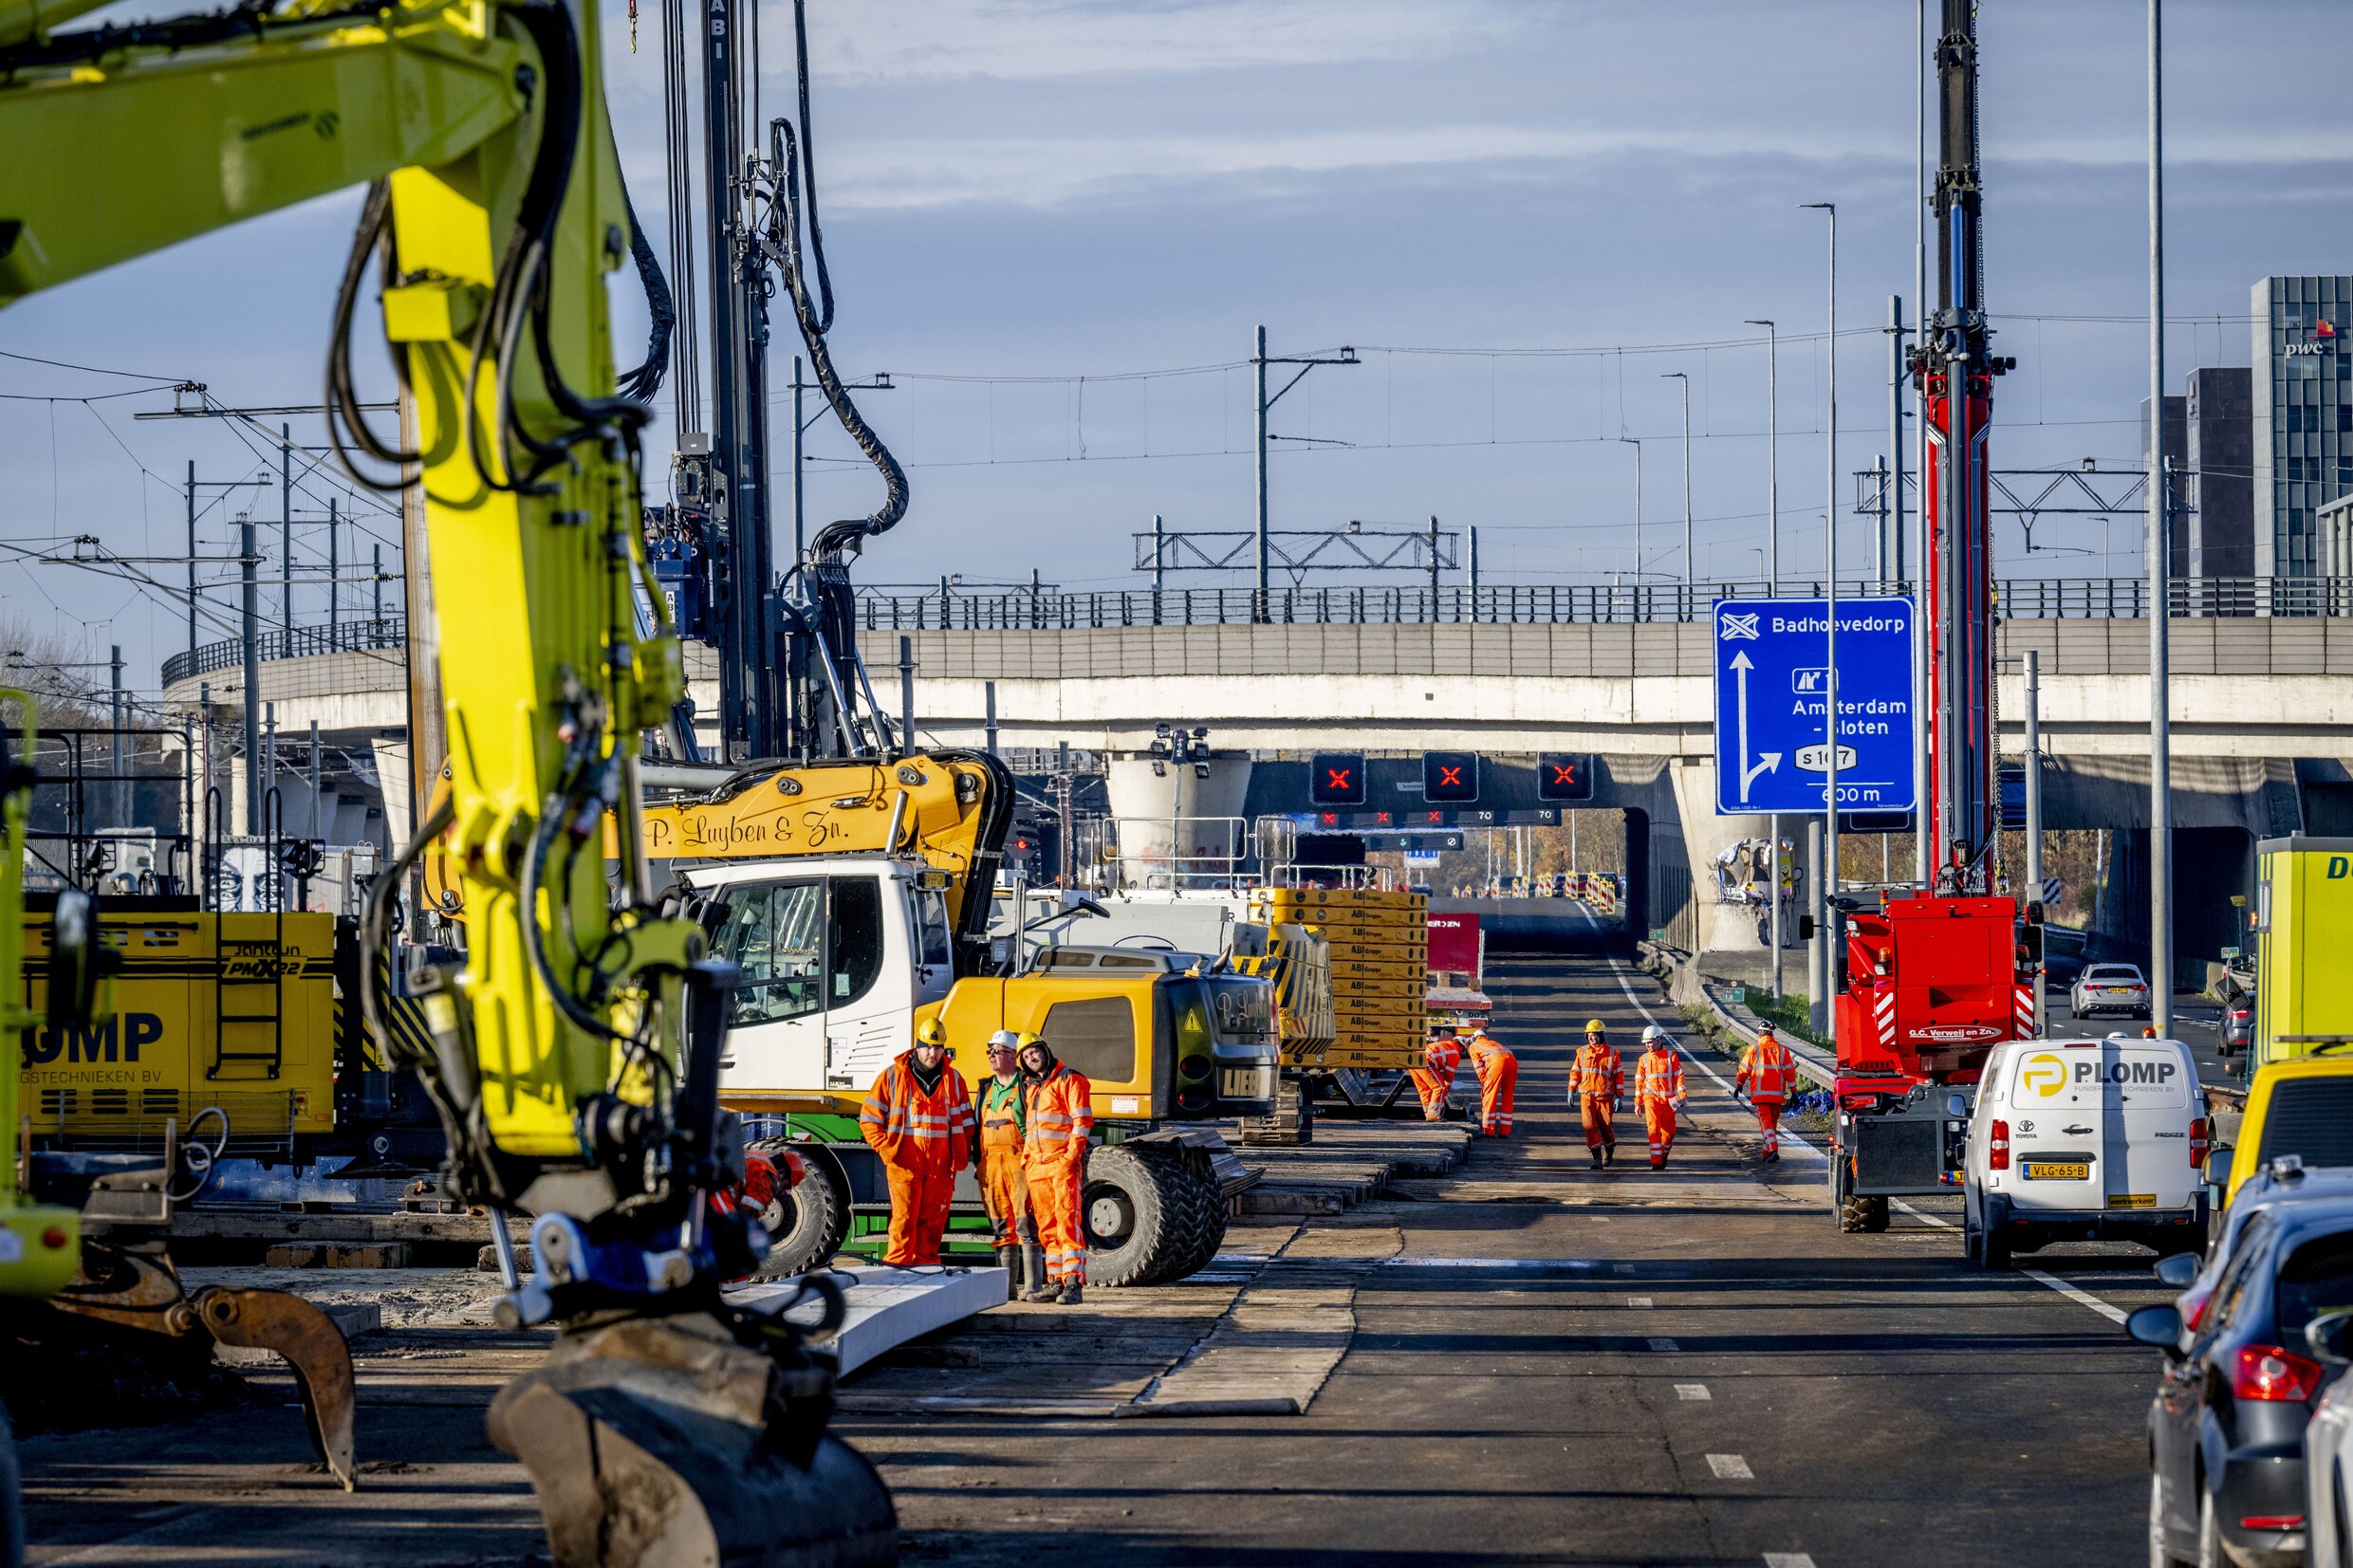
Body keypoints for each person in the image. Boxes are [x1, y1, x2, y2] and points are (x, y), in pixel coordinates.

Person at [859, 1016, 975, 1266]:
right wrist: (885, 1148)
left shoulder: (954, 1080)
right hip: (904, 1162)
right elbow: (869, 1118)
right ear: (917, 1046)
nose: (932, 1053)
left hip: (941, 1165)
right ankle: (897, 1266)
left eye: (938, 1047)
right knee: (904, 1217)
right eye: (927, 1047)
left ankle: (926, 1266)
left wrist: (961, 1153)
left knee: (934, 1220)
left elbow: (967, 1123)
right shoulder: (892, 1077)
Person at [1018, 1033, 1094, 1304]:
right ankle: (1055, 1282)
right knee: (1048, 1228)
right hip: (1037, 1167)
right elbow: (1032, 1128)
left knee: (1067, 1224)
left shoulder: (1070, 1079)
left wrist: (1070, 1157)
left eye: (1034, 1052)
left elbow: (1082, 1120)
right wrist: (1027, 1161)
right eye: (1026, 1057)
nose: (1031, 1058)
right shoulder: (1032, 1087)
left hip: (1061, 1163)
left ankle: (1073, 1284)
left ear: (1045, 1050)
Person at [975, 1029, 1038, 1300]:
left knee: (1026, 1225)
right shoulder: (985, 1088)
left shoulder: (1026, 1086)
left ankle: (1033, 1286)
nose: (991, 1056)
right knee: (1001, 1227)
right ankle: (1006, 1289)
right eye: (990, 1050)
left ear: (1013, 1056)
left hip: (1019, 1163)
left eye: (997, 1051)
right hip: (990, 1167)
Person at [1735, 1022, 1796, 1162]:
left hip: (1761, 1095)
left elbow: (1744, 1070)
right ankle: (1766, 1152)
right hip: (1777, 1096)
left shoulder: (1754, 1049)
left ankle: (1773, 1149)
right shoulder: (1782, 1050)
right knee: (1772, 1125)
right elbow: (1790, 1073)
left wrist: (1739, 1085)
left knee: (1766, 1125)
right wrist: (1794, 1091)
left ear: (1760, 1033)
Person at [1571, 1020, 1624, 1170]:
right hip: (1587, 1097)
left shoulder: (1612, 1053)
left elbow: (1618, 1076)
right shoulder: (1581, 1052)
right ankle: (1597, 1159)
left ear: (1601, 1035)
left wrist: (1619, 1096)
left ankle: (1609, 1148)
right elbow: (1575, 1072)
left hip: (1605, 1098)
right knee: (1589, 1127)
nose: (1592, 1038)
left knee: (1606, 1128)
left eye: (1595, 1035)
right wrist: (1571, 1089)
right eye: (1589, 1035)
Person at [1633, 1024, 1687, 1169]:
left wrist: (1682, 1094)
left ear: (1658, 1040)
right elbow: (1639, 1082)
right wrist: (1638, 1103)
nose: (1647, 1046)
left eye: (1650, 1042)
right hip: (1650, 1099)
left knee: (1669, 1133)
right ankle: (1656, 1160)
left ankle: (1663, 1154)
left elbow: (1678, 1077)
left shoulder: (1671, 1057)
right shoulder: (1643, 1059)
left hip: (1668, 1101)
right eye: (1646, 1043)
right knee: (1653, 1128)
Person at [1462, 1024, 1517, 1137]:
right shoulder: (1493, 1043)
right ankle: (1505, 1131)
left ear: (1473, 1038)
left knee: (1490, 1095)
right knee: (1508, 1095)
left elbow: (1479, 1069)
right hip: (1512, 1062)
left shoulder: (1474, 1046)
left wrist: (1485, 1085)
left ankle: (1488, 1130)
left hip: (1498, 1063)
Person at [1410, 1027, 1462, 1122]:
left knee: (1425, 1090)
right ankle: (1434, 1115)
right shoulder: (1455, 1052)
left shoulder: (1446, 1045)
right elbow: (1449, 1075)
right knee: (1439, 1087)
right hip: (1425, 1061)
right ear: (1462, 1047)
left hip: (1413, 1059)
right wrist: (1447, 1088)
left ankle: (1429, 1114)